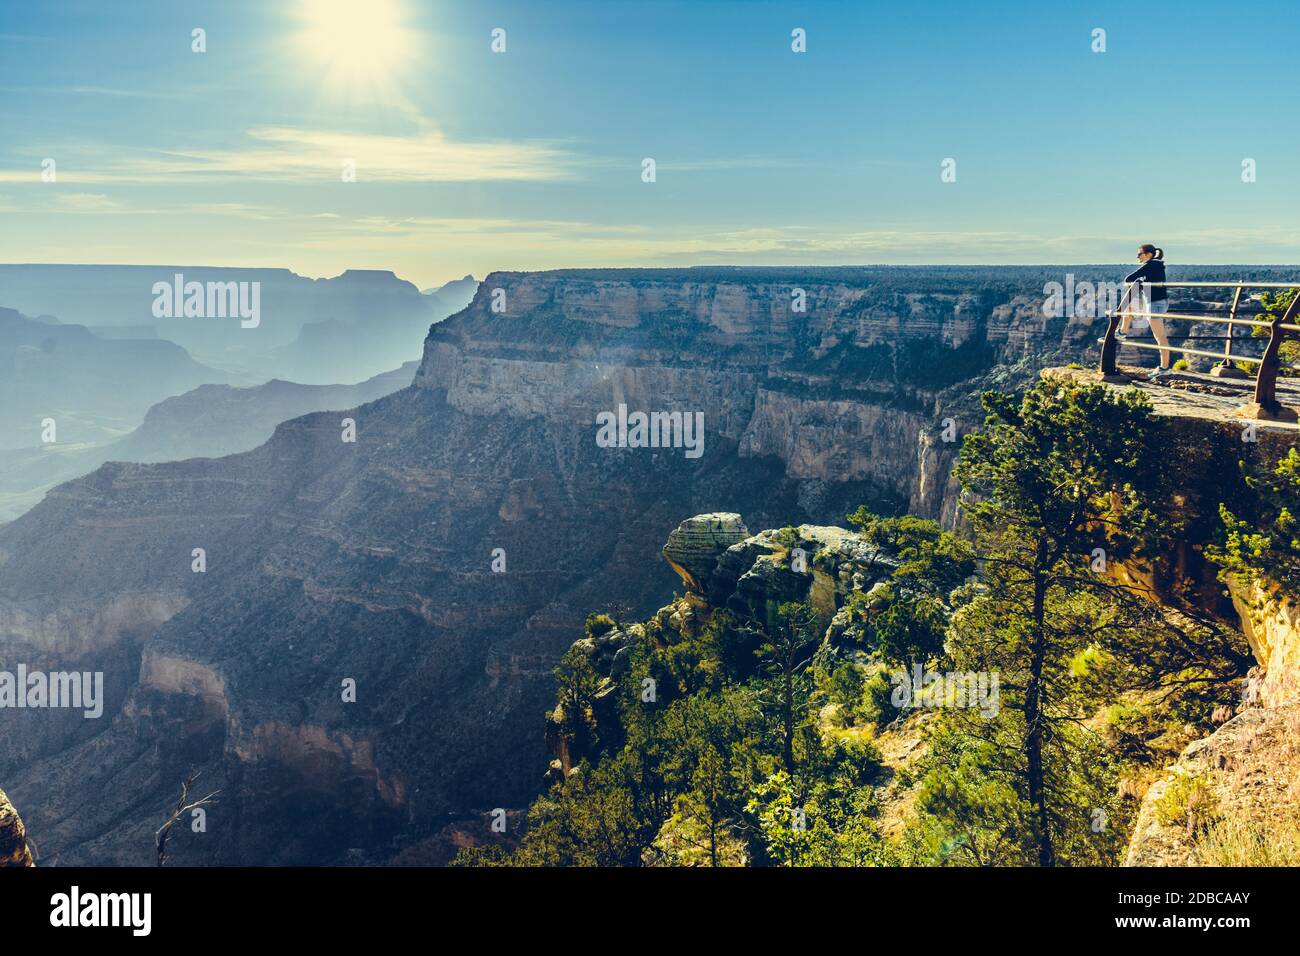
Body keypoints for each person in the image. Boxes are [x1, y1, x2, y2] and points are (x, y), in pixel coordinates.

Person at [1119, 244, 1171, 377]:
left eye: (1140, 253)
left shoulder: (1150, 265)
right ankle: (1122, 332)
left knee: (1160, 337)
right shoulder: (1156, 265)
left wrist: (1139, 280)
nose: (1137, 256)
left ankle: (1164, 368)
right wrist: (1142, 280)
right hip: (1156, 302)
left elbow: (1129, 279)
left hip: (1155, 304)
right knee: (1129, 307)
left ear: (1148, 254)